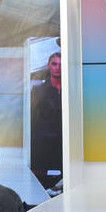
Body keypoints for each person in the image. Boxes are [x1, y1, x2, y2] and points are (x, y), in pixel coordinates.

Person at [30, 52, 63, 188]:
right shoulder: (39, 90)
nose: (57, 67)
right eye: (54, 64)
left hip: (64, 144)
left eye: (61, 64)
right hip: (43, 146)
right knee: (41, 186)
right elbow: (32, 119)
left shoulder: (72, 89)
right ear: (49, 65)